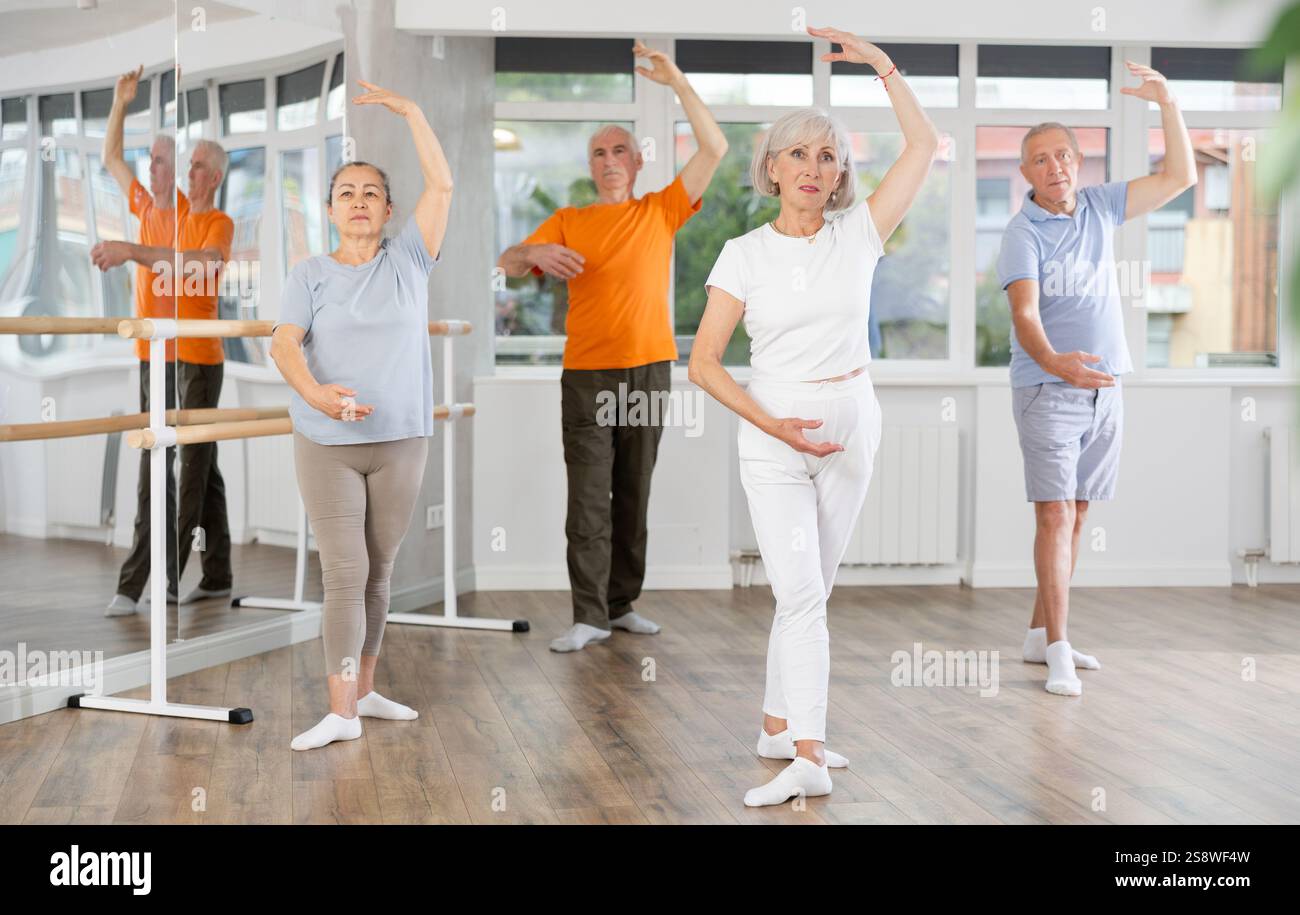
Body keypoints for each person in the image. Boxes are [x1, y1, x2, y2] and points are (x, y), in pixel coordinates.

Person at [689, 27, 938, 807]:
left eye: (827, 157)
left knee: (809, 595)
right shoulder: (742, 254)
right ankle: (807, 754)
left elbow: (926, 144)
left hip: (852, 421)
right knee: (799, 597)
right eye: (798, 153)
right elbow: (701, 363)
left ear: (839, 177)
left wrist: (879, 65)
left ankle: (775, 723)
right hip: (775, 436)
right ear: (771, 167)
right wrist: (773, 425)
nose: (813, 167)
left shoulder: (859, 235)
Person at [496, 41, 727, 653]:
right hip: (587, 378)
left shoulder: (661, 210)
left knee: (634, 493)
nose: (608, 160)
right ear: (591, 166)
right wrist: (532, 252)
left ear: (638, 160)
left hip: (650, 373)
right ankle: (588, 615)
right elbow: (507, 262)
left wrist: (676, 79)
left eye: (618, 149)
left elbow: (715, 147)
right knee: (588, 497)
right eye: (598, 153)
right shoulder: (569, 220)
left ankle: (621, 604)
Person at [997, 62, 1196, 696]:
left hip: (1106, 389)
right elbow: (1025, 314)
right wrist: (1057, 364)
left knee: (1078, 514)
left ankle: (1038, 634)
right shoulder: (1020, 233)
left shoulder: (1101, 206)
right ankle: (1058, 648)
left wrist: (1166, 100)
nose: (1054, 166)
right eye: (1040, 159)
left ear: (1077, 163)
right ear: (1026, 173)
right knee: (1054, 516)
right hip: (1047, 391)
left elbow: (1181, 175)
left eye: (1063, 155)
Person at [271, 81, 451, 752]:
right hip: (328, 441)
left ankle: (365, 690)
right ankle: (340, 708)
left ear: (388, 209)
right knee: (344, 570)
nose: (358, 202)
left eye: (370, 192)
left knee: (380, 569)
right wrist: (315, 392)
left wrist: (410, 109)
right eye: (345, 192)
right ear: (329, 210)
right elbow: (283, 343)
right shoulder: (309, 273)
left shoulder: (408, 260)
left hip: (401, 439)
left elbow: (443, 184)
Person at [94, 65, 234, 616]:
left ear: (210, 177)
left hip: (197, 360)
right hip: (155, 357)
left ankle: (156, 582)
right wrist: (119, 103)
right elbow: (110, 158)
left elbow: (198, 263)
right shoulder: (158, 211)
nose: (178, 171)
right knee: (199, 468)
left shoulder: (216, 223)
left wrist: (131, 252)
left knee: (183, 470)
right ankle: (218, 572)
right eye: (174, 163)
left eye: (192, 165)